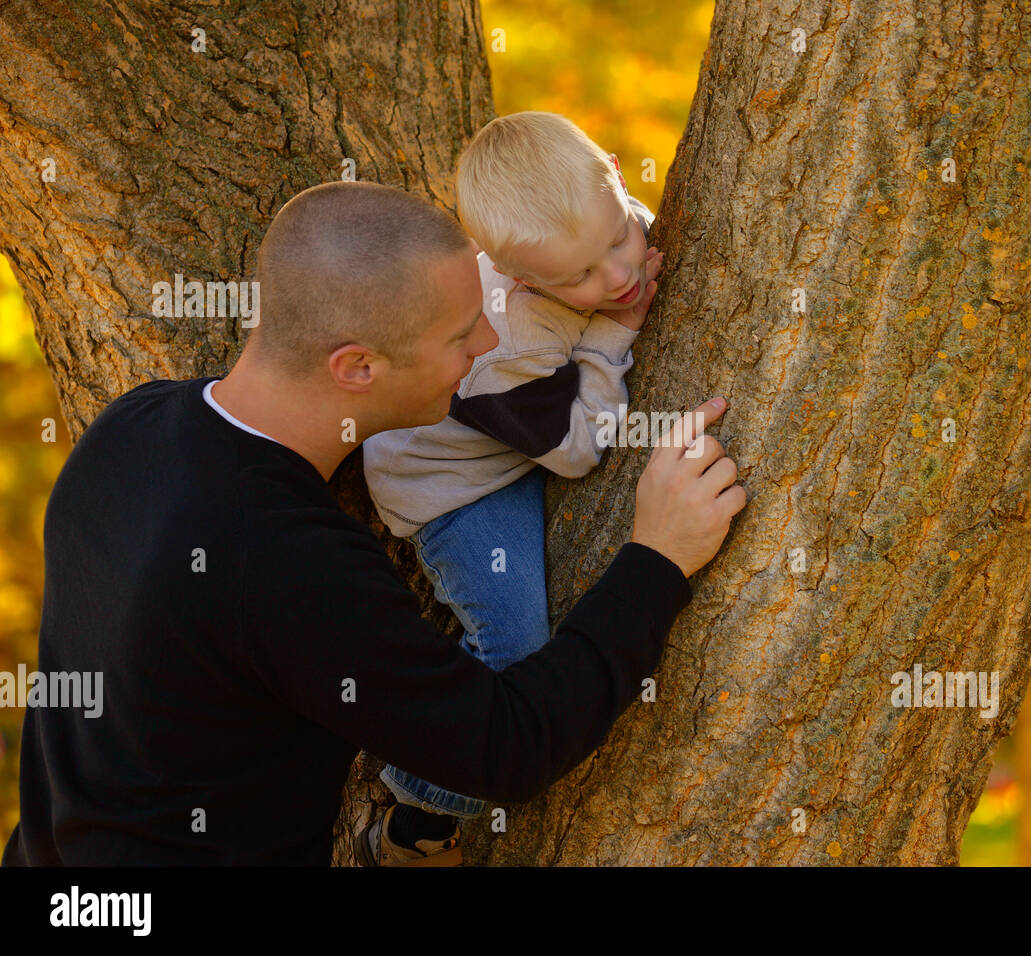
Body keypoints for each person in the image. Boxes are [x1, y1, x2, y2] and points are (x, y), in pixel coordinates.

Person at [1, 179, 746, 866]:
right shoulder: (288, 564)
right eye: (461, 337)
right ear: (357, 368)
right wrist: (656, 557)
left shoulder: (131, 426)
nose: (487, 346)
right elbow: (506, 745)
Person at [360, 112, 666, 863]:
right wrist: (611, 336)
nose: (620, 277)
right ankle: (421, 794)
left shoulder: (598, 226)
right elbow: (576, 450)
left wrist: (615, 259)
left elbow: (615, 247)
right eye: (582, 278)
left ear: (617, 175)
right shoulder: (510, 344)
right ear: (526, 279)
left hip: (514, 441)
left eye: (620, 239)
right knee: (521, 643)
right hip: (453, 484)